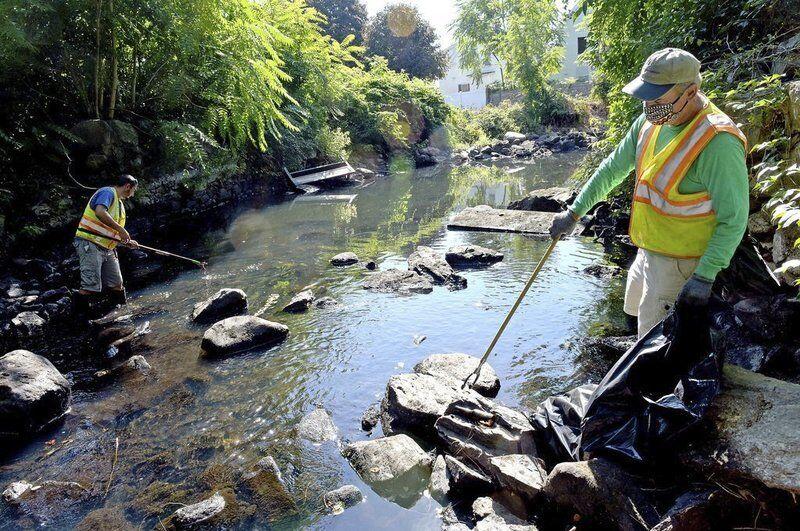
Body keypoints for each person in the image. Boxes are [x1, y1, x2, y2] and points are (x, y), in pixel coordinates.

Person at [549, 48, 749, 338]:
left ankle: (657, 382)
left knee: (655, 340)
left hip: (682, 264)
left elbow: (734, 219)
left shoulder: (717, 143)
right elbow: (611, 170)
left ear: (691, 92)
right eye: (646, 97)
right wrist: (574, 212)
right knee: (632, 311)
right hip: (649, 250)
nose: (648, 106)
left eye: (657, 99)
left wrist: (704, 276)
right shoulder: (650, 123)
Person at [73, 174, 139, 316]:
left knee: (117, 284)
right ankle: (77, 319)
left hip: (107, 248)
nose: (133, 195)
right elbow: (100, 212)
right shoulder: (107, 192)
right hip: (90, 243)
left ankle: (122, 314)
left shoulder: (119, 204)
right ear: (128, 186)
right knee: (90, 285)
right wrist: (121, 230)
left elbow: (111, 231)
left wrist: (126, 242)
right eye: (134, 190)